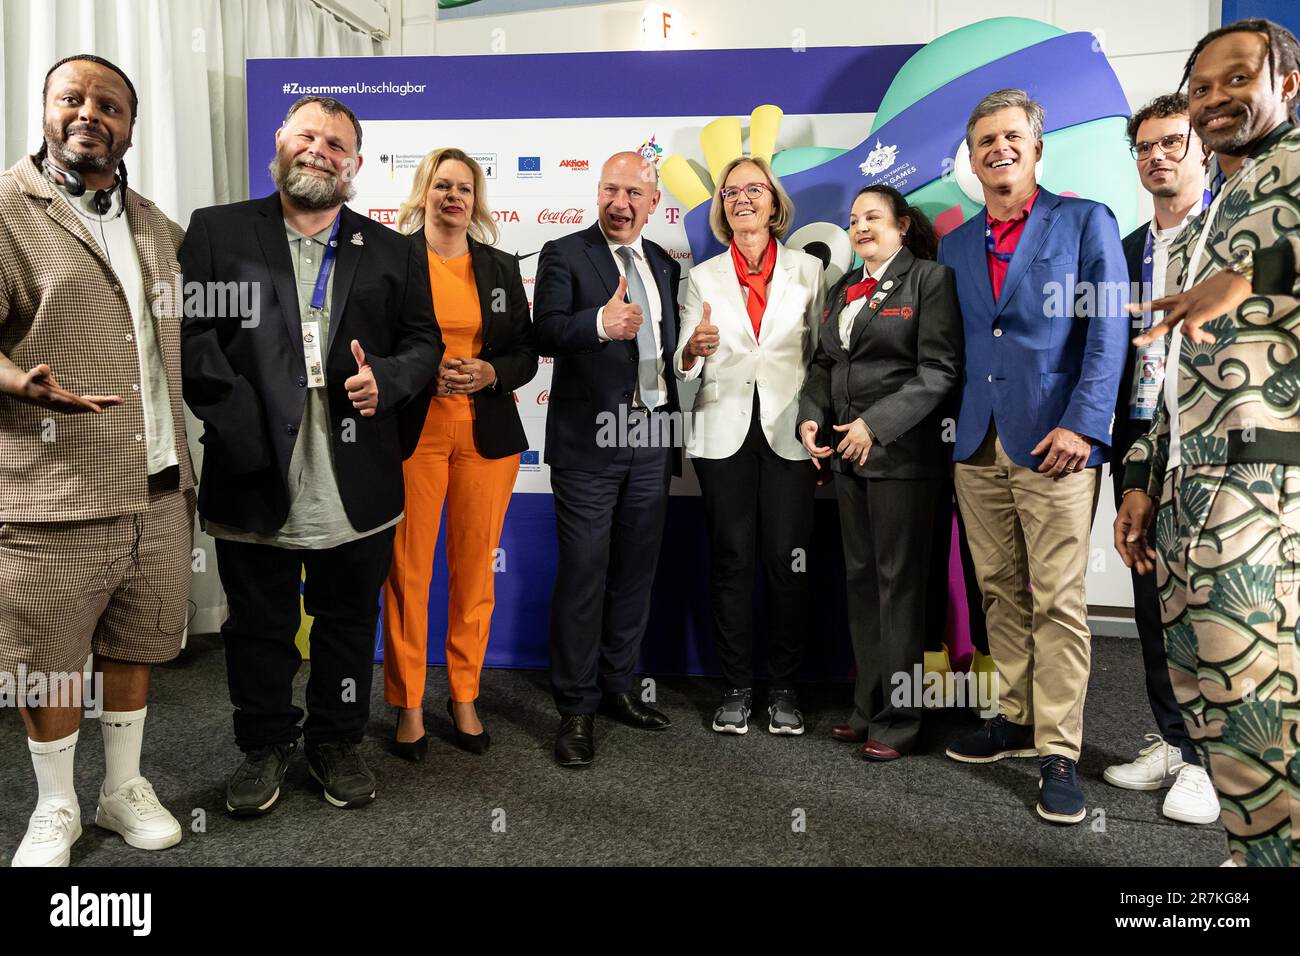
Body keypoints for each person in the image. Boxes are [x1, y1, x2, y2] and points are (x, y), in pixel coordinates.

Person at [180, 96, 442, 814]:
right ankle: (263, 745)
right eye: (308, 136)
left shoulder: (392, 249)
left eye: (336, 143)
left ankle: (336, 740)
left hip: (354, 477)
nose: (319, 150)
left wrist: (385, 379)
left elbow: (426, 346)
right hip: (252, 470)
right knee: (258, 624)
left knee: (348, 620)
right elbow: (194, 339)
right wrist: (241, 427)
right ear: (281, 142)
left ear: (355, 163)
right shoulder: (219, 231)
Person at [0, 55, 193, 866]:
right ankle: (54, 804)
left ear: (129, 126)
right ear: (44, 110)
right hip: (52, 490)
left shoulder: (159, 225)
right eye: (71, 98)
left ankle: (119, 788)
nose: (89, 113)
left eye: (108, 104)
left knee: (136, 642)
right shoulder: (8, 211)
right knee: (47, 661)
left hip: (157, 487)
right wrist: (19, 380)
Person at [1116, 18, 1300, 867]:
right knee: (1207, 700)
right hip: (1188, 486)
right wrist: (1144, 480)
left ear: (1285, 86)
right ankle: (1250, 850)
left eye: (1237, 79)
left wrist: (1252, 276)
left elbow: (1271, 268)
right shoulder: (1191, 230)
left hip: (1264, 483)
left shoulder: (1293, 172)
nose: (1217, 97)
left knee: (1260, 696)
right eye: (1202, 87)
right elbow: (1163, 383)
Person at [938, 89, 1128, 825]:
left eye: (1012, 136)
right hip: (976, 441)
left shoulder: (1084, 222)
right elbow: (956, 350)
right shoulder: (954, 243)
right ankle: (1013, 717)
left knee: (1058, 600)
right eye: (985, 140)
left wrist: (1084, 424)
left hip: (1056, 442)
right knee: (999, 591)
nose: (999, 149)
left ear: (1037, 148)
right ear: (973, 155)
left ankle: (1059, 751)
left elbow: (1107, 331)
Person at [381, 148, 536, 760]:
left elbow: (525, 352)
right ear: (423, 193)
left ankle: (464, 694)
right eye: (442, 185)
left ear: (476, 200)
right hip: (413, 436)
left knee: (474, 572)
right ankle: (409, 702)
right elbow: (372, 345)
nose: (453, 197)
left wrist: (490, 371)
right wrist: (420, 375)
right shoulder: (394, 262)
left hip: (486, 438)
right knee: (408, 572)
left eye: (464, 188)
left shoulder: (498, 267)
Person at [797, 184, 961, 758]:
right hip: (847, 457)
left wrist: (876, 424)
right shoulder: (843, 288)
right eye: (853, 219)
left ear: (901, 226)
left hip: (903, 459)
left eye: (873, 217)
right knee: (863, 585)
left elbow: (939, 370)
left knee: (903, 590)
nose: (860, 226)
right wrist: (811, 420)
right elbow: (823, 364)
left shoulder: (929, 281)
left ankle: (902, 719)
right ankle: (868, 707)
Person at [533, 151, 682, 767]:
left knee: (634, 574)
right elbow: (542, 332)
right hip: (589, 445)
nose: (621, 203)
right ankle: (575, 706)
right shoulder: (565, 254)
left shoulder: (666, 266)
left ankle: (619, 688)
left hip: (651, 438)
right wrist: (598, 321)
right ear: (598, 194)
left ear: (652, 202)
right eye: (611, 190)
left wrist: (689, 350)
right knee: (585, 574)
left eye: (634, 193)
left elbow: (665, 350)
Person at [674, 157, 824, 736]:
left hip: (792, 431)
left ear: (773, 202)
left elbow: (823, 359)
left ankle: (784, 687)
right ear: (722, 206)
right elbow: (683, 367)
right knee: (731, 561)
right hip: (721, 432)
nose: (742, 199)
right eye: (731, 192)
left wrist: (820, 424)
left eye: (753, 190)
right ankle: (736, 687)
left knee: (788, 562)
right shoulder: (702, 277)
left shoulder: (809, 273)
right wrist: (694, 350)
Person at [1101, 93, 1219, 826]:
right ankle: (1174, 741)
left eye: (1173, 142)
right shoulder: (1125, 250)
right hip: (1140, 440)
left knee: (1212, 605)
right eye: (1145, 147)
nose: (1158, 156)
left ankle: (1214, 761)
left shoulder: (1235, 238)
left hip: (1215, 448)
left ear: (1203, 150)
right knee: (1153, 600)